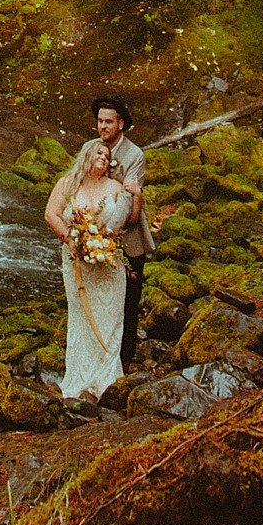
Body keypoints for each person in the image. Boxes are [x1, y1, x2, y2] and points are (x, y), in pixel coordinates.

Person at [44, 137, 133, 400]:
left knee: (110, 316)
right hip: (76, 262)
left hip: (109, 264)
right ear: (86, 153)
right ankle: (80, 378)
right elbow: (51, 214)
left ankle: (106, 380)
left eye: (107, 156)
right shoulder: (68, 183)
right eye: (99, 152)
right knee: (81, 317)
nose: (104, 157)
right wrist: (70, 239)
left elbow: (131, 217)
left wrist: (136, 195)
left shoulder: (116, 187)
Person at [91, 95, 154, 367]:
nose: (102, 126)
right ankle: (99, 352)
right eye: (99, 121)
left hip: (128, 240)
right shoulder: (90, 148)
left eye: (108, 121)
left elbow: (129, 202)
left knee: (129, 300)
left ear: (121, 124)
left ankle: (124, 359)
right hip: (94, 234)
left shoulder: (134, 155)